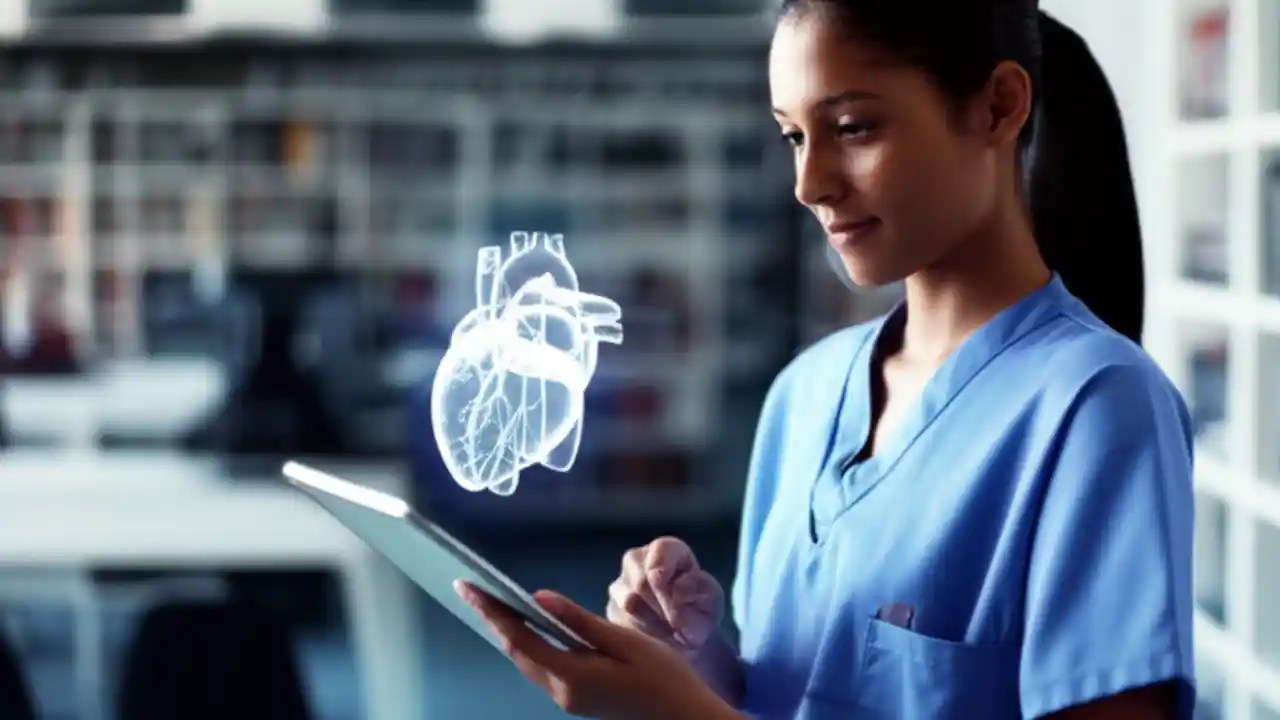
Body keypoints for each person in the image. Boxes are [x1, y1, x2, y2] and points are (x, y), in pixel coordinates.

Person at [457, 1, 1195, 718]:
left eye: (852, 128)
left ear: (998, 107)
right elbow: (788, 696)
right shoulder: (803, 395)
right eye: (794, 138)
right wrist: (685, 654)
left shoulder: (1097, 405)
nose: (811, 186)